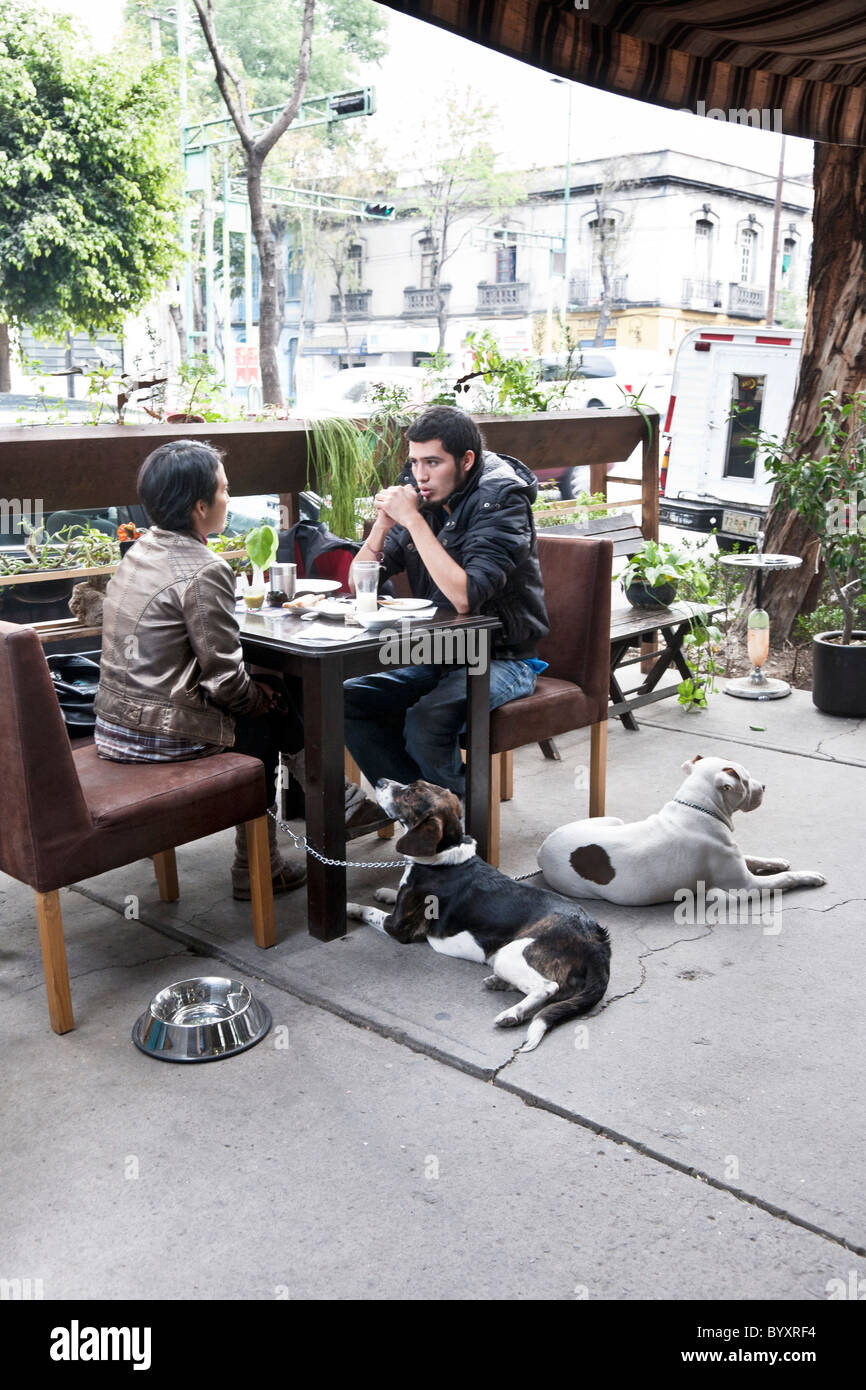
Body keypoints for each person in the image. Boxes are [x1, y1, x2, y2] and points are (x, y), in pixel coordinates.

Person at [94, 440, 306, 898]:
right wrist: (259, 699)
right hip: (159, 736)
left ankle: (336, 804)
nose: (230, 499)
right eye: (225, 490)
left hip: (112, 726)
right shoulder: (204, 568)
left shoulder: (140, 548)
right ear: (200, 505)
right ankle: (260, 867)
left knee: (273, 698)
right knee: (267, 720)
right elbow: (226, 683)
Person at [343, 404, 550, 801]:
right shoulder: (427, 494)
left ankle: (463, 829)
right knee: (348, 698)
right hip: (440, 649)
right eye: (415, 462)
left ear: (466, 460)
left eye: (433, 462)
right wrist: (385, 523)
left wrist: (413, 521)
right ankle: (419, 810)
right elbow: (359, 583)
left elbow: (465, 595)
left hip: (503, 656)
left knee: (427, 721)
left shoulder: (502, 498)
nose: (420, 475)